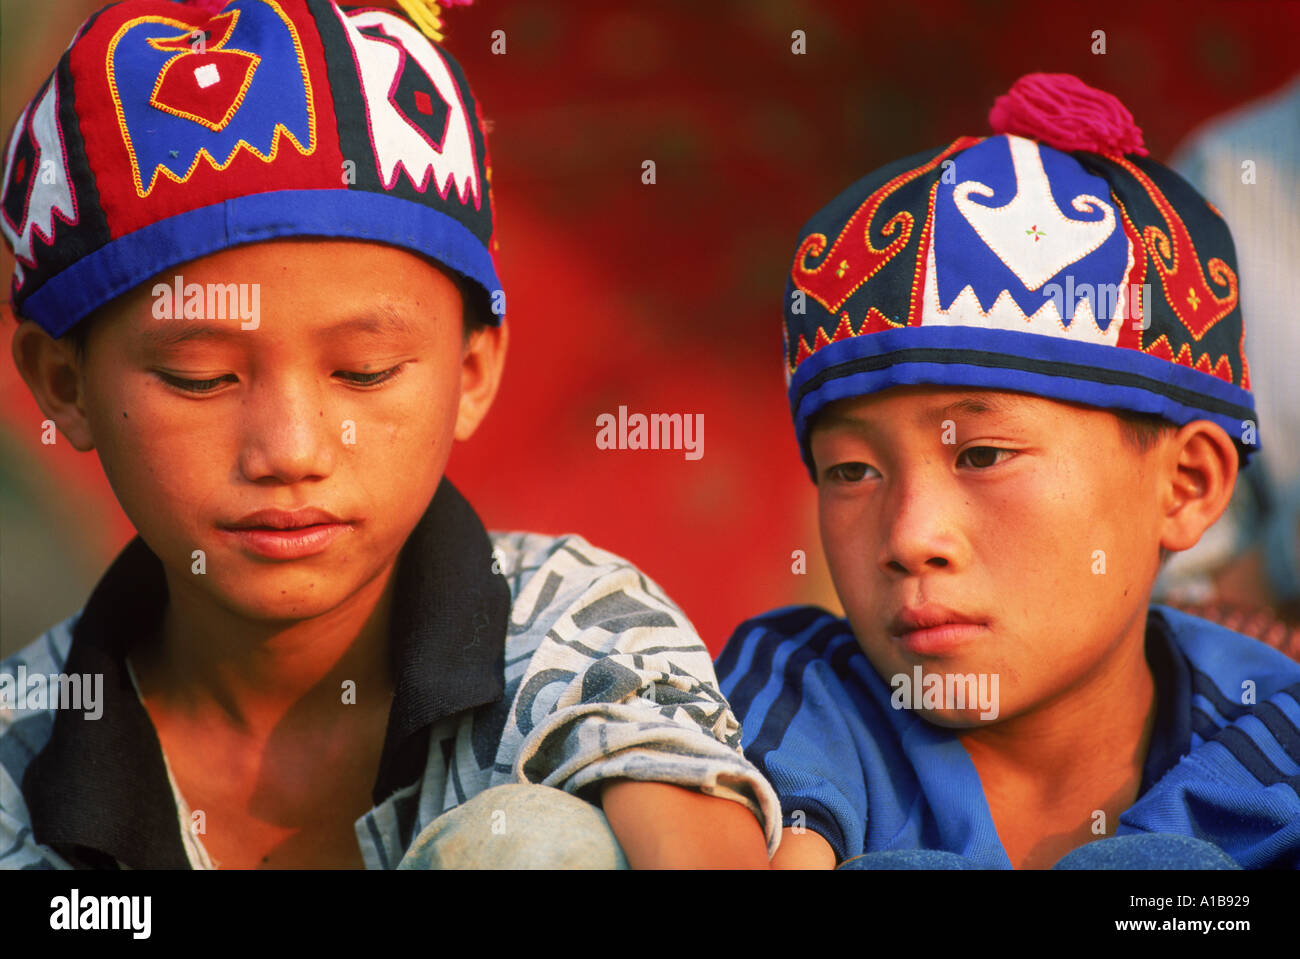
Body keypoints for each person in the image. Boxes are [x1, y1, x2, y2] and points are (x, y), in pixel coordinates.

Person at [0, 0, 778, 869]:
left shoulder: (576, 634)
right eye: (201, 377)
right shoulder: (19, 750)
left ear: (473, 371)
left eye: (365, 370)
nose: (292, 449)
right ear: (62, 383)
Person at [715, 72, 1300, 869]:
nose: (912, 538)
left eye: (983, 454)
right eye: (851, 470)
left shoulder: (1275, 740)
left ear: (1188, 482)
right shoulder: (782, 711)